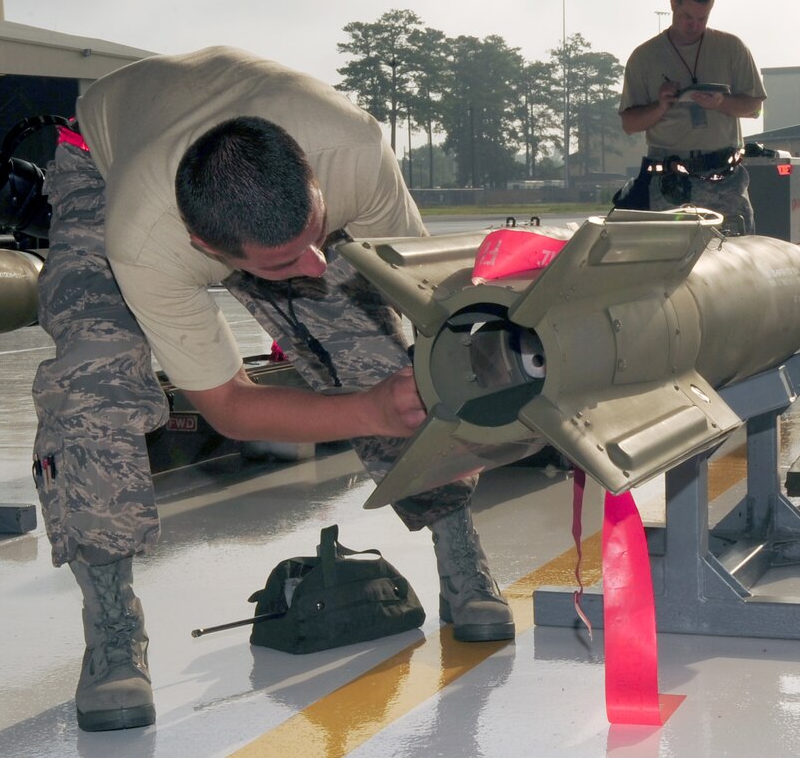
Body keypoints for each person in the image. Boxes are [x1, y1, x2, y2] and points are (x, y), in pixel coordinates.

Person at [31, 46, 513, 733]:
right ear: (207, 248)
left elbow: (429, 302)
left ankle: (459, 546)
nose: (314, 265)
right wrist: (367, 411)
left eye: (315, 233)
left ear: (313, 179)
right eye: (285, 263)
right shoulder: (148, 239)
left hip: (237, 152)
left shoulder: (353, 149)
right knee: (92, 380)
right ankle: (112, 627)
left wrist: (470, 399)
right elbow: (226, 404)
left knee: (381, 353)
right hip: (102, 165)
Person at [616, 0, 766, 235]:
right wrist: (660, 105)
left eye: (702, 18)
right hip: (669, 185)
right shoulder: (645, 58)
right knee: (667, 264)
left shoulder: (732, 48)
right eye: (687, 16)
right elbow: (629, 123)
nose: (694, 25)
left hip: (725, 180)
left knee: (738, 257)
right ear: (673, 5)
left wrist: (721, 102)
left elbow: (753, 106)